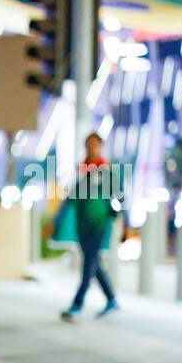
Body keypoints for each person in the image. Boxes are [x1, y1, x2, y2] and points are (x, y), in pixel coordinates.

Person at [60, 132, 120, 322]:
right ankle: (111, 299)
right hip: (82, 224)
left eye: (95, 145)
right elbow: (71, 197)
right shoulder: (81, 169)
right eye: (89, 144)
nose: (92, 148)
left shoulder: (106, 170)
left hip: (99, 225)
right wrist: (57, 220)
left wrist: (118, 215)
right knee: (94, 265)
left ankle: (77, 304)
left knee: (88, 266)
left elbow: (118, 196)